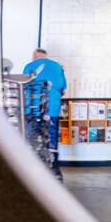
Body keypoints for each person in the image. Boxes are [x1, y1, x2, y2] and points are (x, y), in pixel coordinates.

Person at [22, 48, 66, 177]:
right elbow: (63, 91)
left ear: (35, 56)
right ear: (45, 56)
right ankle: (54, 172)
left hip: (33, 110)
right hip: (53, 109)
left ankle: (34, 174)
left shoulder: (29, 66)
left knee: (34, 142)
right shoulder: (58, 67)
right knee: (51, 141)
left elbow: (23, 87)